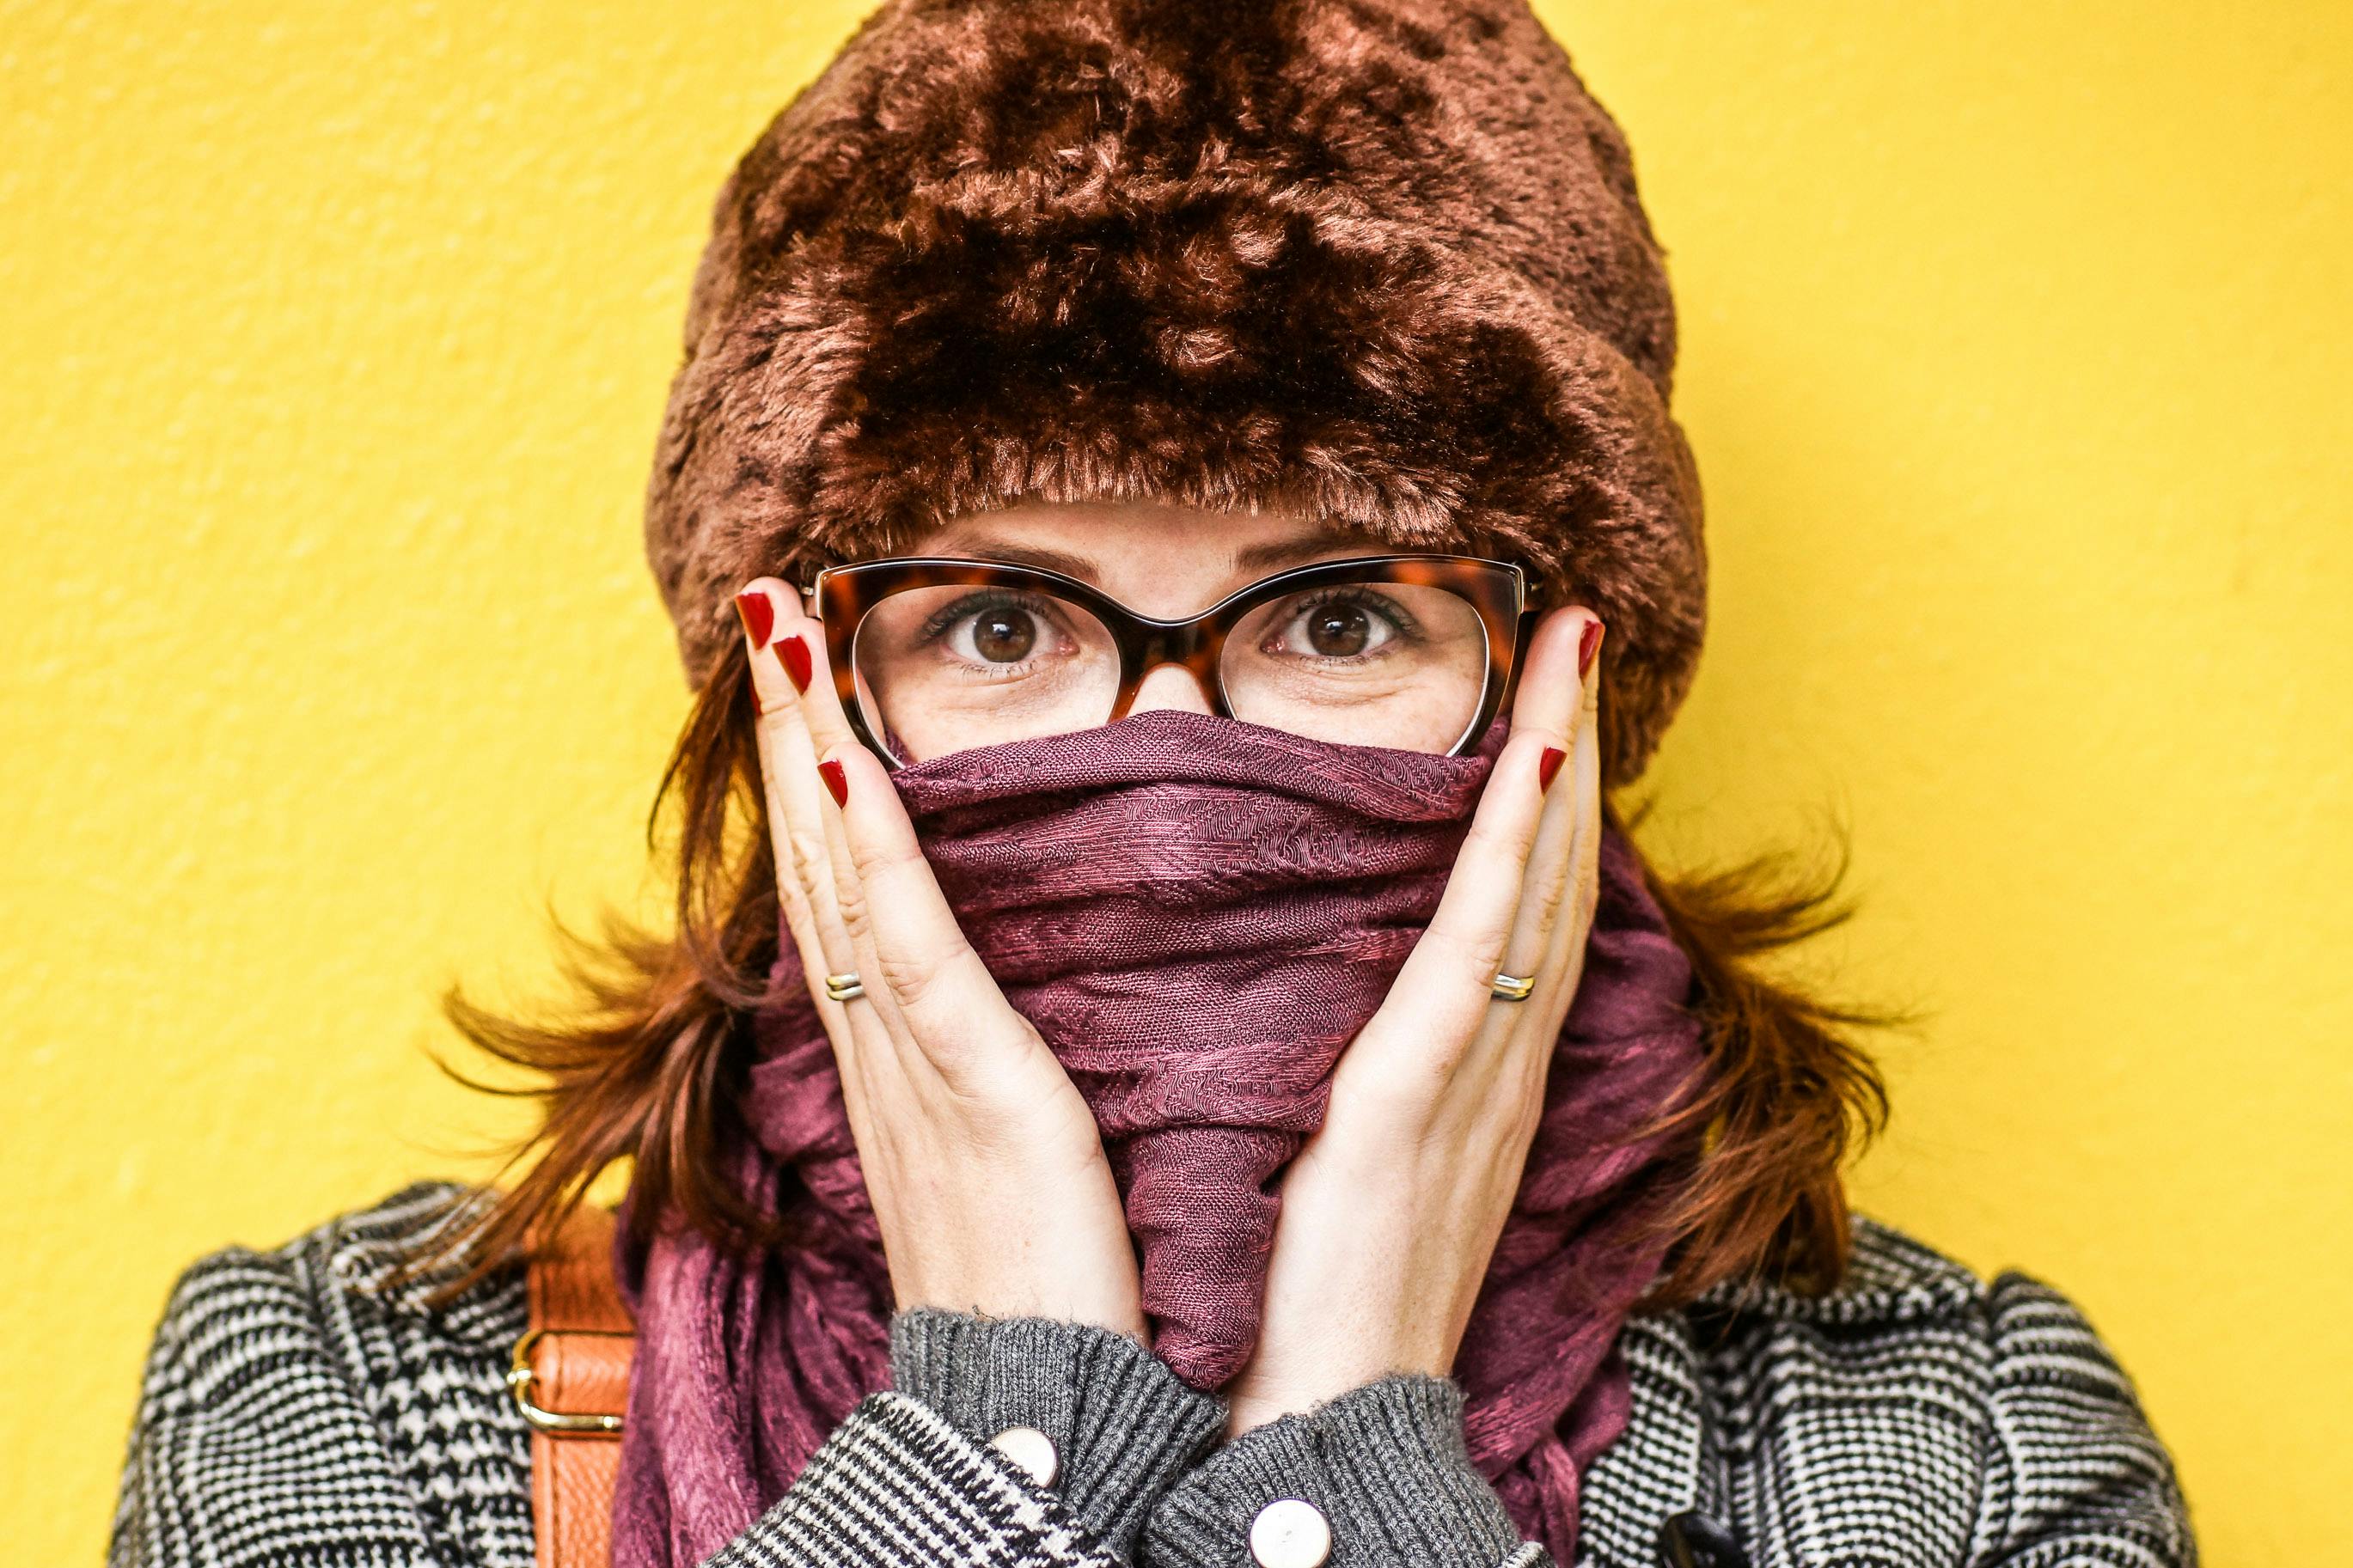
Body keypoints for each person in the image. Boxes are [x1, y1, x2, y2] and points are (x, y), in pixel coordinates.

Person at [107, 3, 2200, 1566]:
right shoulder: (347, 1405)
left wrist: (1354, 1454)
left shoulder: (1958, 1451)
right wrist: (1002, 1433)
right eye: (1002, 627)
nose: (1172, 768)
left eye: (1344, 617)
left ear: (1566, 689)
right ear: (800, 702)